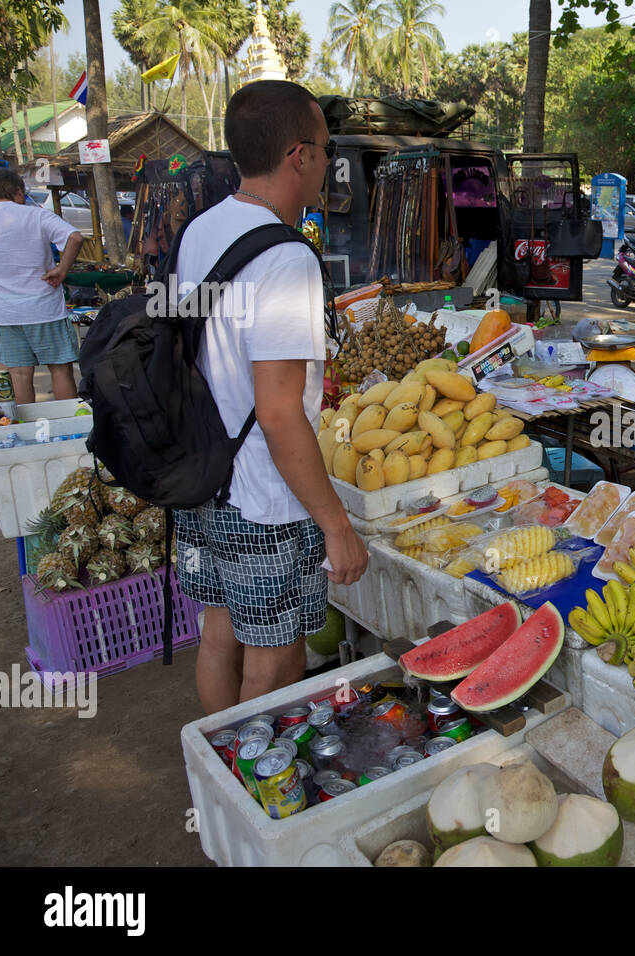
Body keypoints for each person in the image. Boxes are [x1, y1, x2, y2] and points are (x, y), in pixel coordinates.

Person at [172, 80, 367, 714]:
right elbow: (281, 412)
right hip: (264, 498)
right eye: (326, 147)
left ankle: (223, 787)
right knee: (277, 655)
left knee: (220, 631)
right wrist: (336, 527)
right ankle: (261, 802)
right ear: (298, 155)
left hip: (203, 476)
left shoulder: (198, 232)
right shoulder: (286, 259)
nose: (328, 162)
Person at [0, 169, 84, 406]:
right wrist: (62, 270)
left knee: (19, 374)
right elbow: (75, 238)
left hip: (6, 313)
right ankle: (67, 424)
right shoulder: (37, 215)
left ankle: (30, 431)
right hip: (45, 308)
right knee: (60, 370)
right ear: (18, 191)